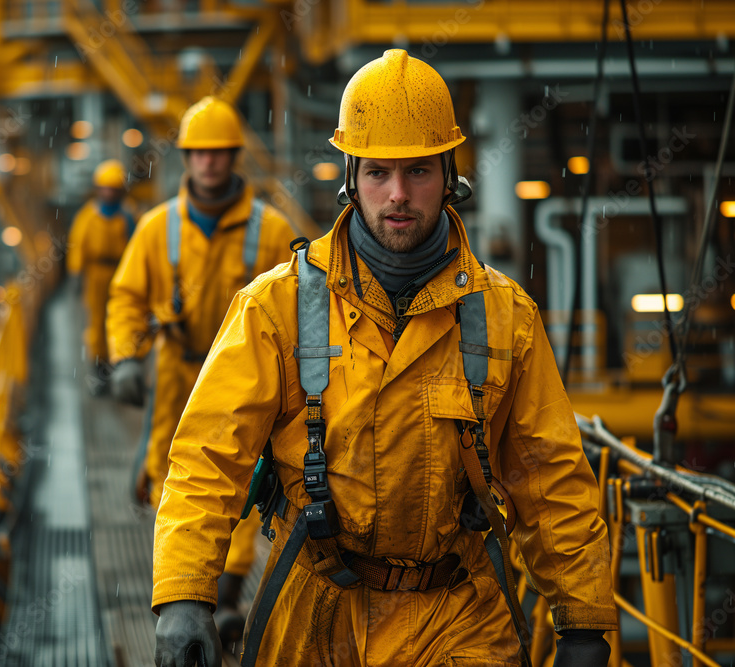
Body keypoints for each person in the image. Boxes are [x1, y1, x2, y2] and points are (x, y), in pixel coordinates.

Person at [151, 50, 618, 667]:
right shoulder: (276, 307)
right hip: (313, 611)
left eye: (418, 171)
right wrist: (184, 594)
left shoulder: (508, 317)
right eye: (378, 172)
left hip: (458, 618)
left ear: (449, 174)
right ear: (350, 177)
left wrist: (584, 622)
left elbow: (550, 479)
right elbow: (208, 459)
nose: (398, 195)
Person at [105, 96, 297, 643]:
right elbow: (126, 297)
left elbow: (298, 301)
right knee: (173, 472)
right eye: (199, 153)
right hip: (178, 371)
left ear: (234, 155)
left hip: (246, 378)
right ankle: (181, 585)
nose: (209, 162)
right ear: (187, 158)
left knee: (246, 472)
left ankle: (226, 594)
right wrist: (125, 357)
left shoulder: (271, 230)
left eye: (218, 152)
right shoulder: (156, 229)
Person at [66, 159, 136, 394]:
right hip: (95, 275)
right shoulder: (88, 216)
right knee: (97, 323)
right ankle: (99, 373)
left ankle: (120, 367)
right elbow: (77, 246)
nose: (109, 194)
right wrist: (76, 274)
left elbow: (137, 245)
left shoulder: (128, 215)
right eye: (105, 189)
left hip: (121, 274)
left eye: (113, 189)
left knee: (122, 318)